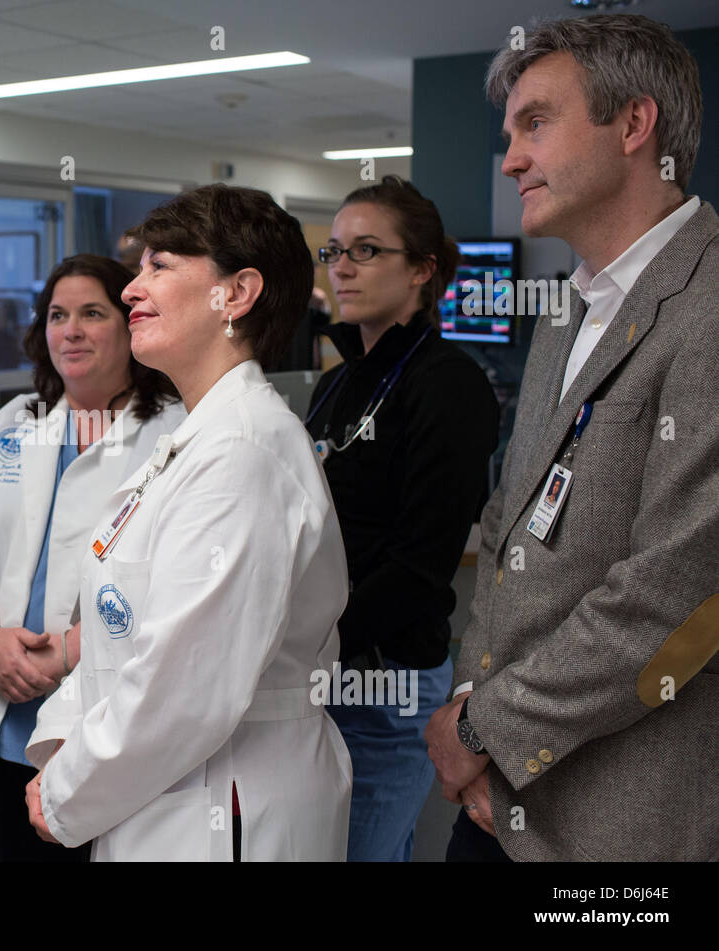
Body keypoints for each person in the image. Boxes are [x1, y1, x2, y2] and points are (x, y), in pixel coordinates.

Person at [426, 13, 719, 862]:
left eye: (536, 123)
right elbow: (508, 529)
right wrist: (474, 719)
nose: (511, 158)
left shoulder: (707, 308)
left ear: (635, 124)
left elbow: (682, 596)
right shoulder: (567, 312)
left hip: (619, 826)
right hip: (493, 803)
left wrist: (482, 726)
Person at [25, 185, 352, 861]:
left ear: (235, 294)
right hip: (157, 793)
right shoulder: (192, 442)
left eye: (159, 266)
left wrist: (66, 788)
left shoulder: (245, 454)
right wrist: (61, 738)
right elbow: (114, 628)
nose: (130, 290)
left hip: (227, 804)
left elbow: (186, 688)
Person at [0, 253, 184, 862]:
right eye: (57, 314)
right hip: (5, 715)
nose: (71, 330)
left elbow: (173, 586)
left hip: (107, 724)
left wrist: (69, 651)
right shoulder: (18, 423)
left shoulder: (174, 435)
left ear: (130, 326)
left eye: (93, 313)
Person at [305, 176, 499, 861]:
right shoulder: (336, 382)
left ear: (421, 269)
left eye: (366, 249)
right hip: (317, 671)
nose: (343, 266)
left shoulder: (449, 383)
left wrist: (304, 639)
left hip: (383, 682)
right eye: (333, 252)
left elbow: (420, 566)